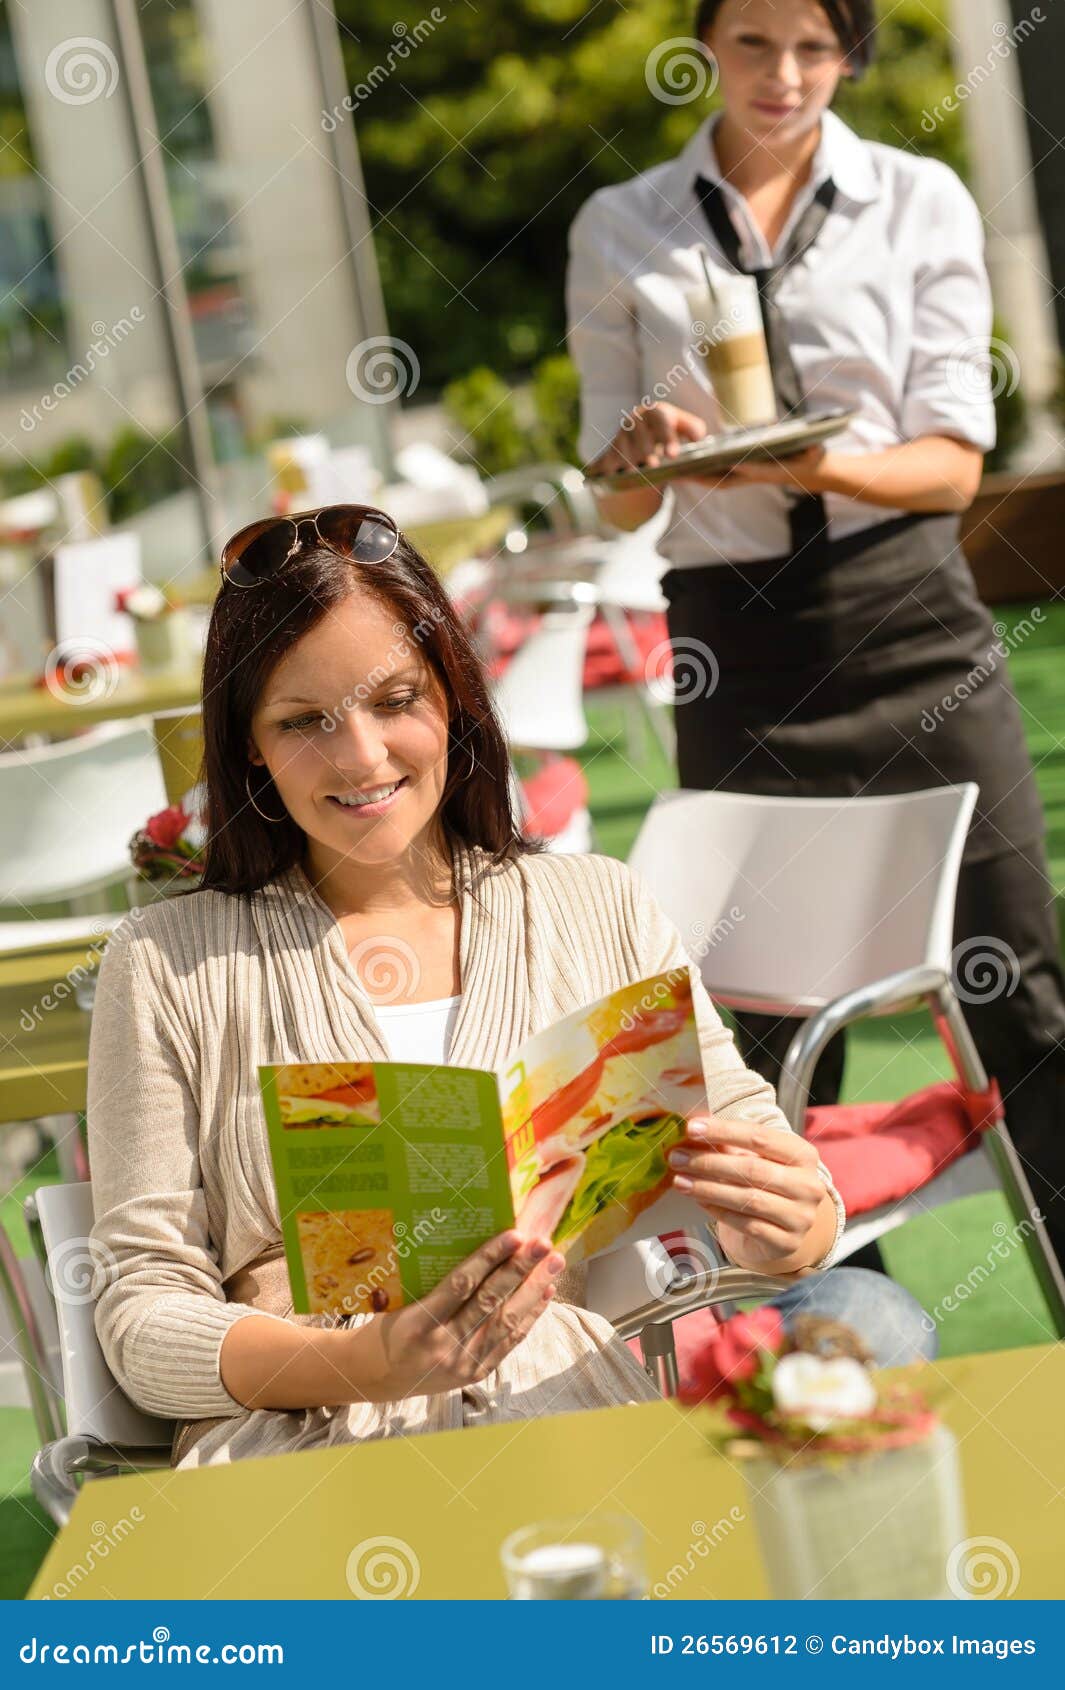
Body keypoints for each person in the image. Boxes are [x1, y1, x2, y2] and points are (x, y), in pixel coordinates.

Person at [86, 503, 933, 1468]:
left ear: (453, 699)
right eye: (304, 721)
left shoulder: (594, 905)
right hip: (311, 1449)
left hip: (562, 1407)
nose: (361, 756)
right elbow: (144, 1316)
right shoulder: (163, 964)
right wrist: (366, 1360)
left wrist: (792, 1221)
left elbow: (758, 1159)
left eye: (395, 701)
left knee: (876, 1315)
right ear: (247, 742)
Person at [566, 0, 1065, 1266]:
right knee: (765, 1031)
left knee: (1021, 984)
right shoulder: (622, 225)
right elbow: (619, 493)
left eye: (813, 46)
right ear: (708, 46)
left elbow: (954, 467)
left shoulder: (920, 199)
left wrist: (803, 464)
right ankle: (832, 1322)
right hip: (736, 650)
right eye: (752, 43)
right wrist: (639, 461)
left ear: (850, 54)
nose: (783, 76)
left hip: (912, 626)